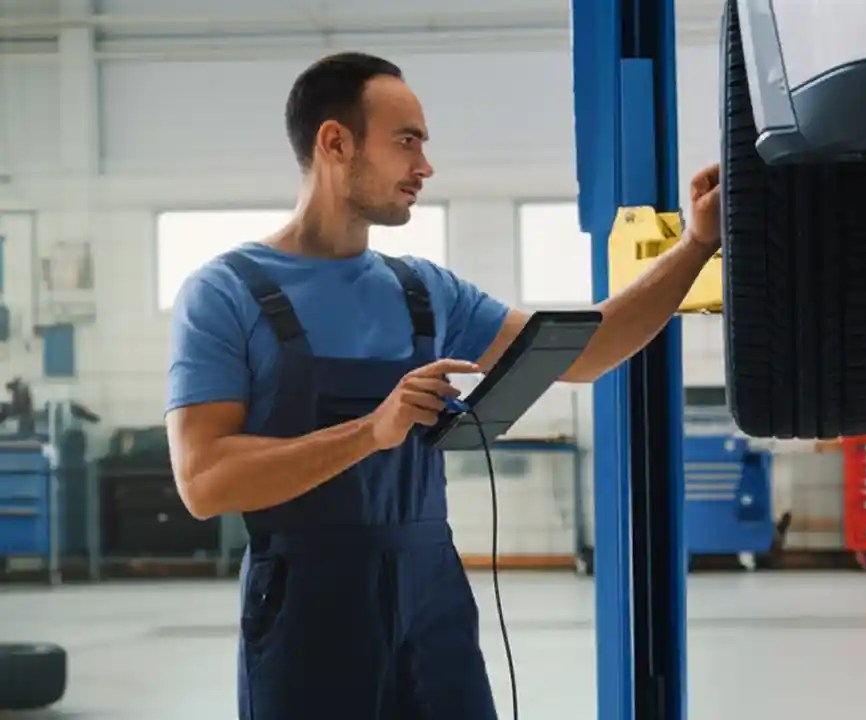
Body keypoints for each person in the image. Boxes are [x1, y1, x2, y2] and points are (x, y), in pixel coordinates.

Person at [164, 52, 722, 719]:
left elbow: (585, 352)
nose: (425, 166)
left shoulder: (424, 291)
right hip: (307, 607)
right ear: (335, 142)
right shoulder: (225, 295)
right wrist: (371, 432)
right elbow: (204, 481)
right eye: (407, 141)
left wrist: (695, 246)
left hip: (433, 601)